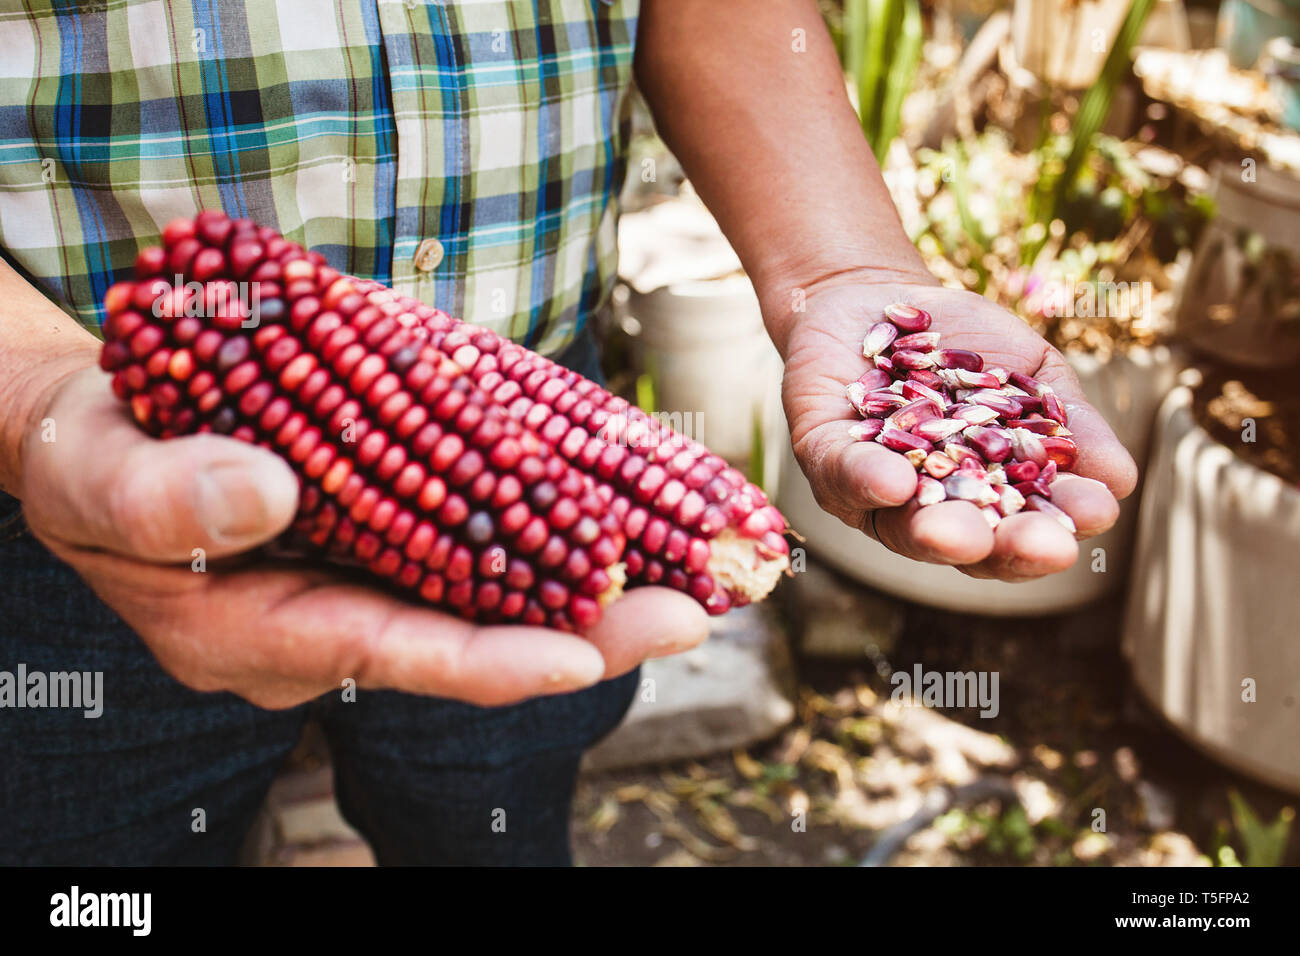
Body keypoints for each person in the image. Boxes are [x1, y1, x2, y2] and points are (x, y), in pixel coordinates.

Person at [0, 0, 1135, 865]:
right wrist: (36, 395)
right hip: (86, 479)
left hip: (547, 460)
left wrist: (848, 266)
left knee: (493, 809)